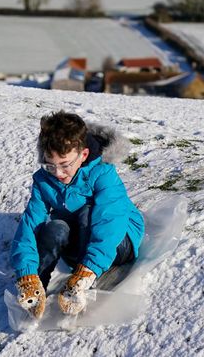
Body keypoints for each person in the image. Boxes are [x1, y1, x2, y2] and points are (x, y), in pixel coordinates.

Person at [10, 111, 144, 318]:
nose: (58, 173)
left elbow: (110, 223)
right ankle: (36, 287)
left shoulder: (104, 174)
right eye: (50, 165)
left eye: (65, 165)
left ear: (83, 155)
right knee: (55, 227)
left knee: (87, 213)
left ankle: (84, 282)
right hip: (80, 243)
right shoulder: (44, 180)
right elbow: (29, 225)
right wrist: (25, 271)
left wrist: (87, 270)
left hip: (118, 241)